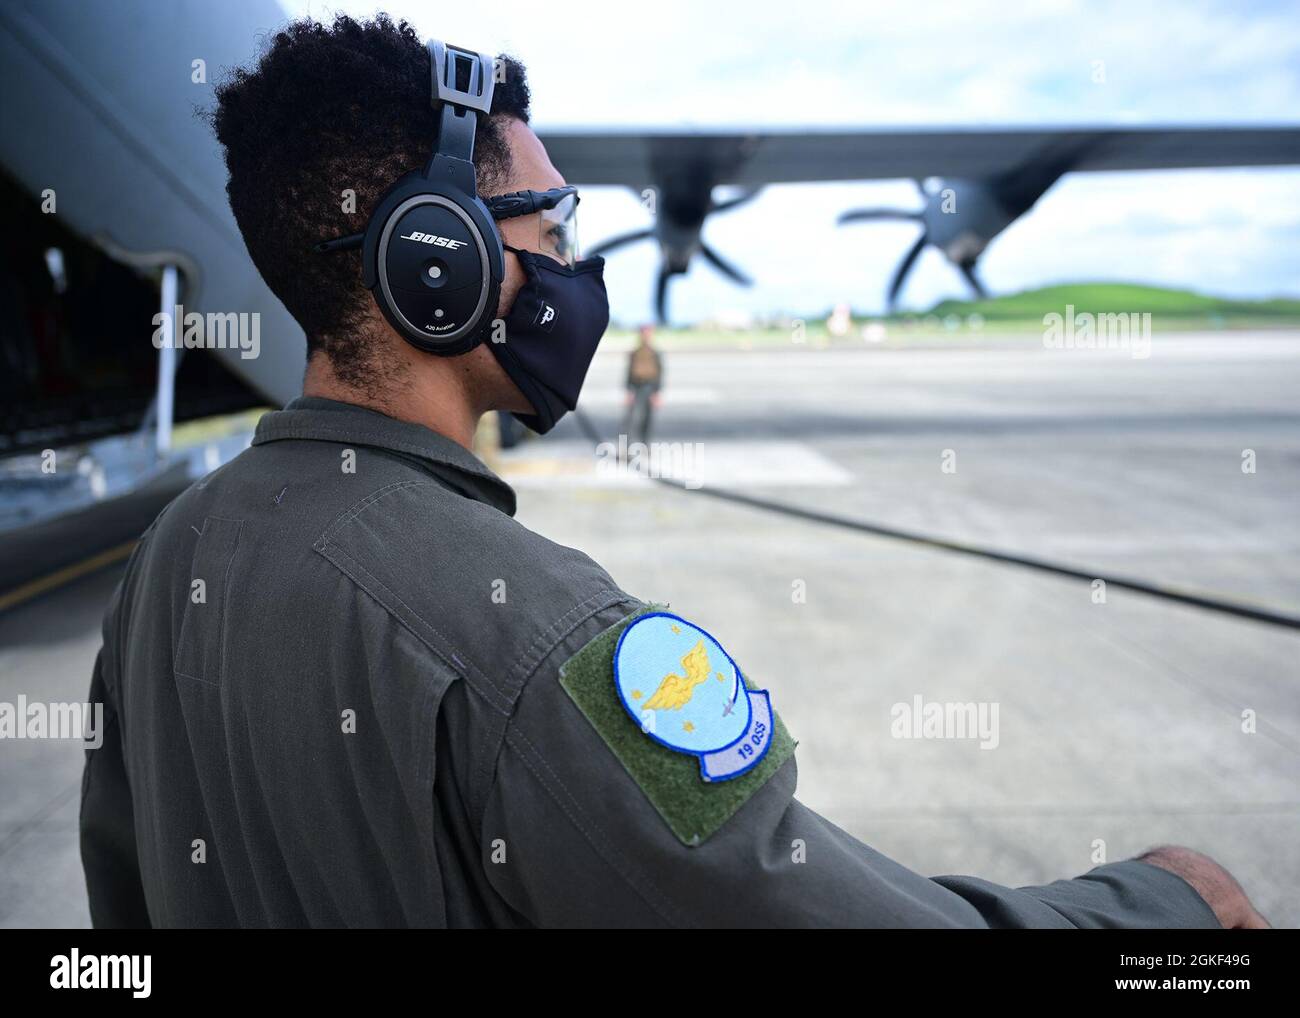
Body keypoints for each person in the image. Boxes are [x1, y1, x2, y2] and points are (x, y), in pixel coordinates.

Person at [79, 14, 1267, 929]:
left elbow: (122, 907)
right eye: (554, 235)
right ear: (431, 265)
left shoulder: (172, 560)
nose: (580, 276)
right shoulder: (535, 640)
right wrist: (1158, 904)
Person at [623, 323, 663, 443]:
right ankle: (628, 447)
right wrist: (629, 391)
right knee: (632, 420)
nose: (646, 336)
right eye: (644, 333)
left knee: (648, 420)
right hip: (637, 387)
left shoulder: (655, 354)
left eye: (648, 333)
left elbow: (659, 374)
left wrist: (656, 393)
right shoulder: (634, 353)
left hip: (650, 387)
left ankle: (646, 444)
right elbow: (629, 373)